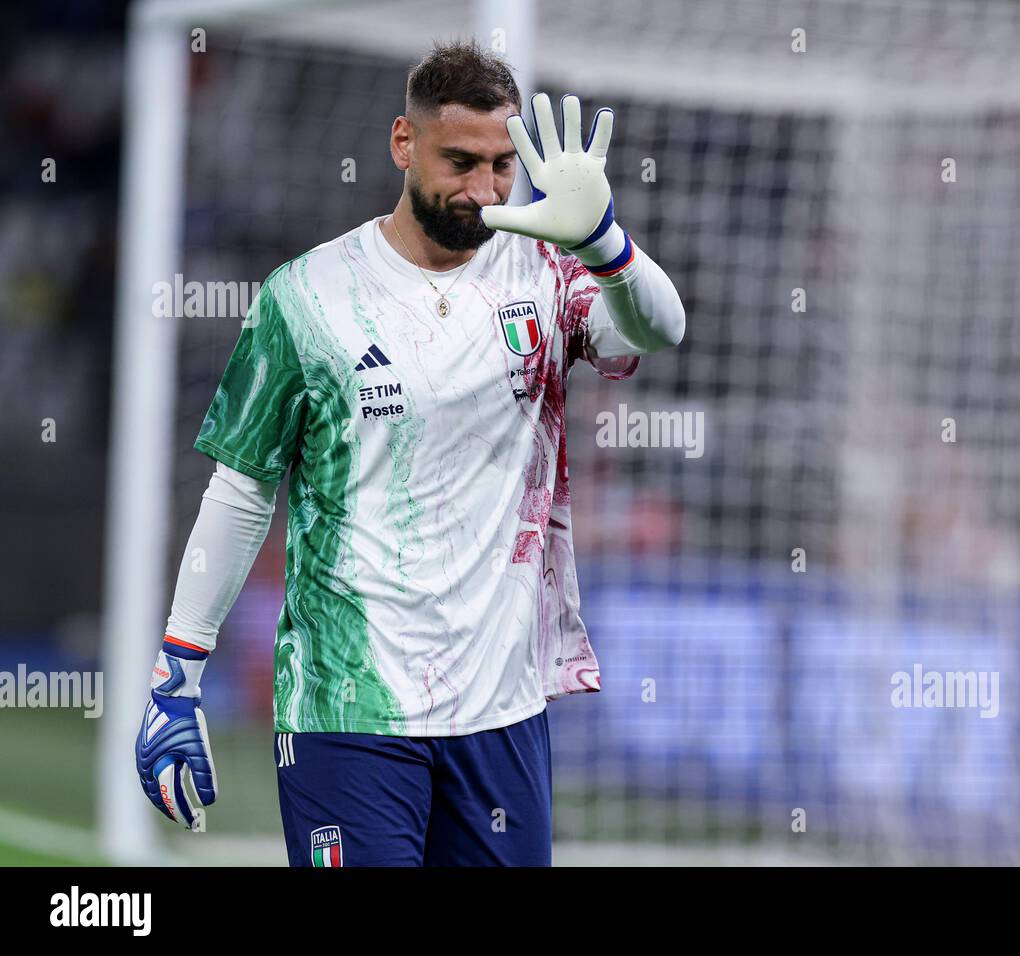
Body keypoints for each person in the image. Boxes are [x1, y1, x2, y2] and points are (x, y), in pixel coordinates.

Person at [134, 39, 685, 866]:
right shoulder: (308, 297)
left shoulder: (545, 275)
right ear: (403, 143)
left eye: (502, 165)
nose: (482, 188)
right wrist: (178, 671)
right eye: (459, 160)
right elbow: (242, 489)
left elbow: (660, 327)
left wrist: (604, 240)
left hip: (500, 711)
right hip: (349, 708)